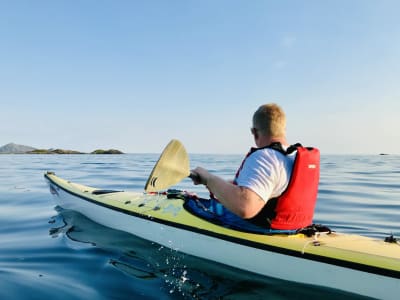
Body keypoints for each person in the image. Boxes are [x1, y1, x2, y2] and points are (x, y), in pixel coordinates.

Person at [190, 103, 320, 230]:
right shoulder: (294, 157)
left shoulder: (265, 157)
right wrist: (218, 185)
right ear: (283, 129)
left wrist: (208, 178)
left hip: (261, 229)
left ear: (255, 132)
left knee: (189, 203)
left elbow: (245, 207)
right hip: (295, 228)